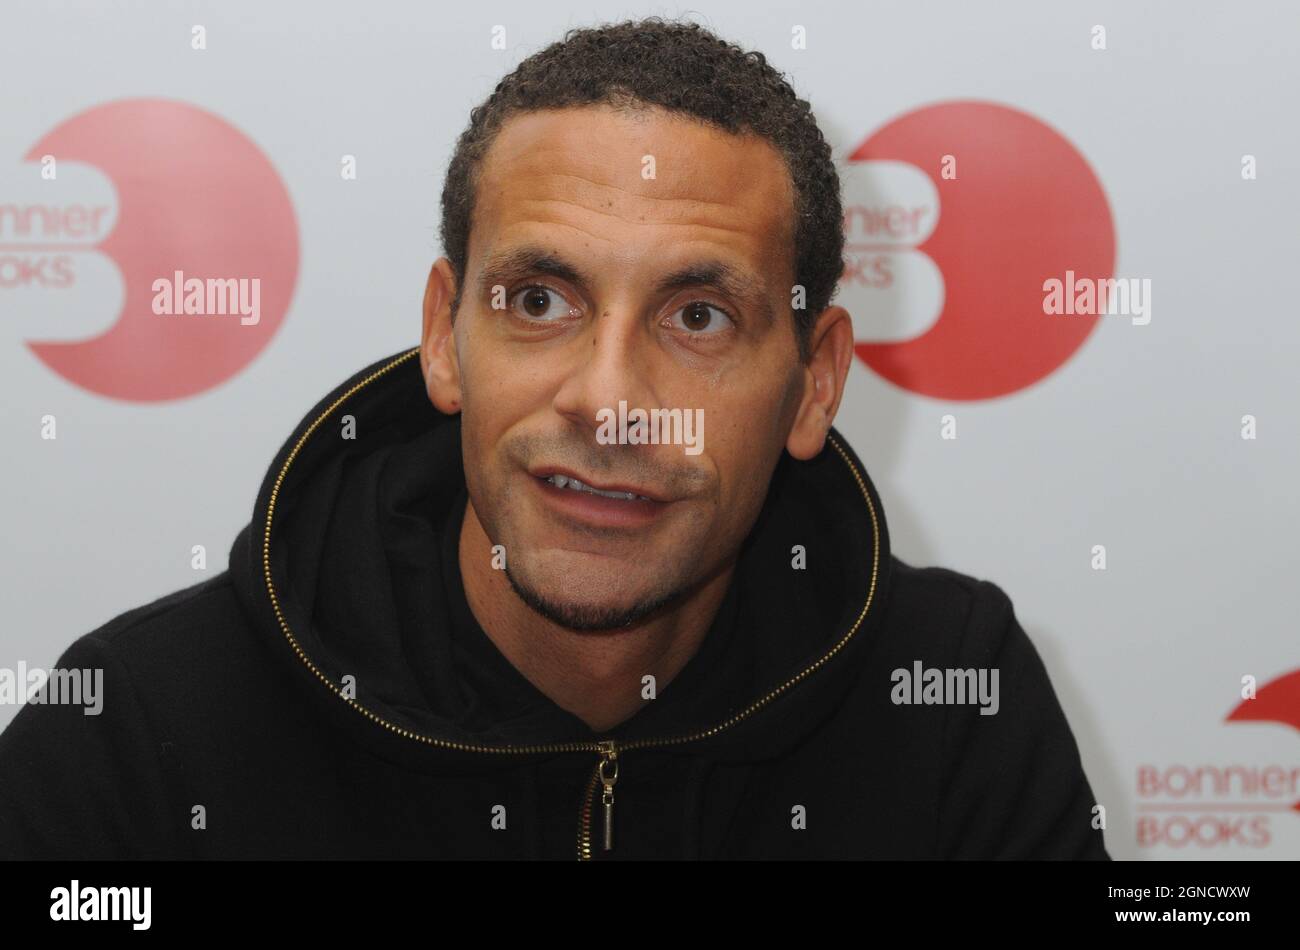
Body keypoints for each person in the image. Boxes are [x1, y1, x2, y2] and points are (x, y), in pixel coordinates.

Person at [0, 17, 1108, 860]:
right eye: (540, 301)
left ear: (814, 382)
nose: (609, 399)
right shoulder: (138, 728)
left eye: (698, 316)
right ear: (444, 334)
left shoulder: (952, 691)